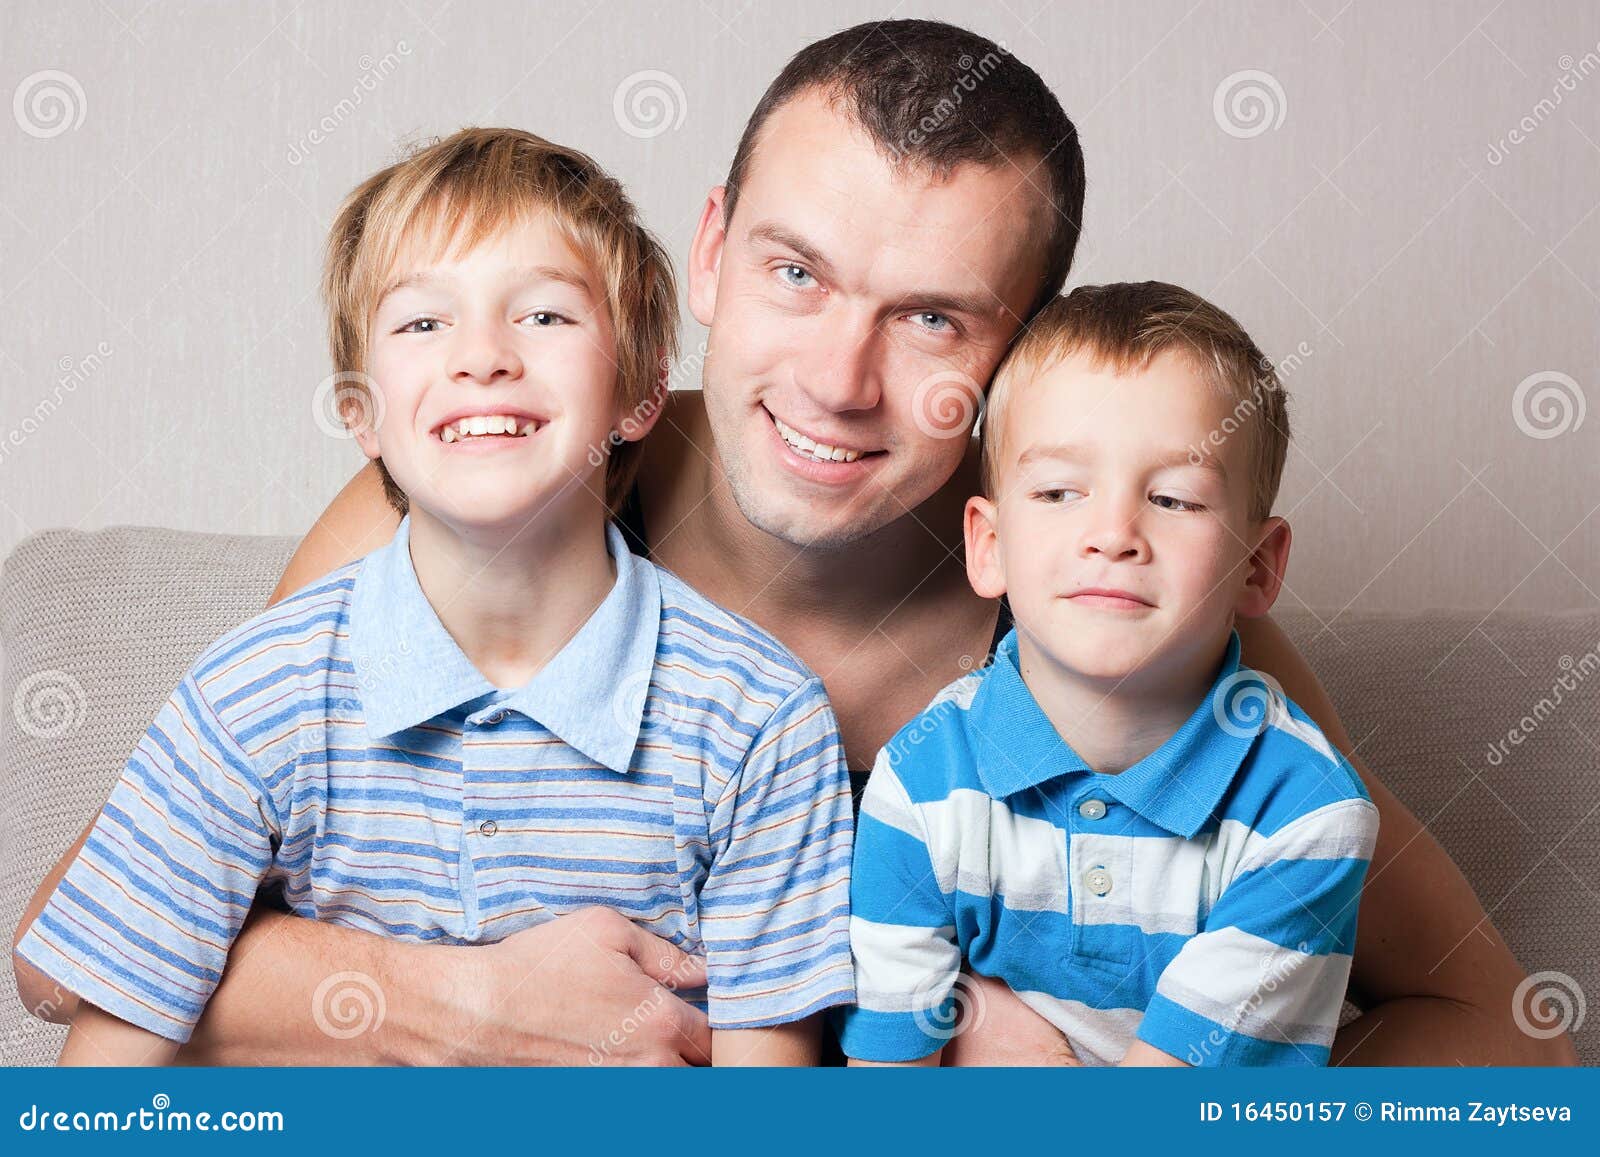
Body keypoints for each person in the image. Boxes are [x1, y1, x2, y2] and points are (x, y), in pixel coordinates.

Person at [15, 19, 1573, 1066]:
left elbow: (1504, 1025)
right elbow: (68, 943)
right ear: (708, 252)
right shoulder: (502, 502)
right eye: (797, 273)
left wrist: (1147, 1087)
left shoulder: (1114, 609)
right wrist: (459, 1003)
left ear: (1023, 359)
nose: (837, 378)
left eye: (933, 318)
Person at [13, 127, 854, 1066]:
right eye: (423, 323)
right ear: (360, 411)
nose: (483, 355)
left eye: (544, 316)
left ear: (641, 392)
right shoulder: (254, 693)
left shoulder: (759, 721)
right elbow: (102, 1083)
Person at [839, 282, 1379, 1066]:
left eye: (1173, 498)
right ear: (989, 546)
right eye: (1060, 491)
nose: (1113, 534)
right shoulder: (922, 781)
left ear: (1256, 566)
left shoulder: (1304, 818)